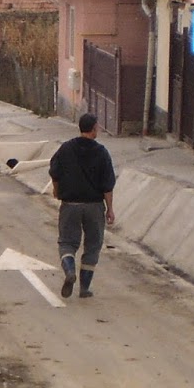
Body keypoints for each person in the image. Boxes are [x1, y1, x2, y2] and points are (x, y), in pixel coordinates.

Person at [48, 113, 116, 299]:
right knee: (93, 245)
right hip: (94, 206)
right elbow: (107, 185)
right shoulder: (101, 152)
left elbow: (54, 171)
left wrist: (57, 190)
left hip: (70, 204)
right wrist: (109, 208)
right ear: (93, 129)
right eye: (98, 127)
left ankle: (70, 270)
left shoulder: (66, 148)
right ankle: (84, 288)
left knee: (67, 242)